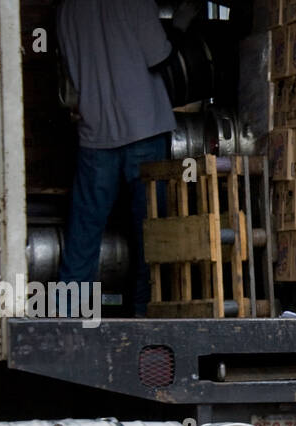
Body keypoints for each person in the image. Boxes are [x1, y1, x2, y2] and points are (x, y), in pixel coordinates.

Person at [57, 0, 177, 317]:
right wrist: (181, 26)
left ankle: (67, 315)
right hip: (144, 126)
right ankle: (145, 314)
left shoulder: (67, 9)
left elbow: (70, 72)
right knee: (150, 235)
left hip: (95, 133)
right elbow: (159, 56)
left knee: (83, 233)